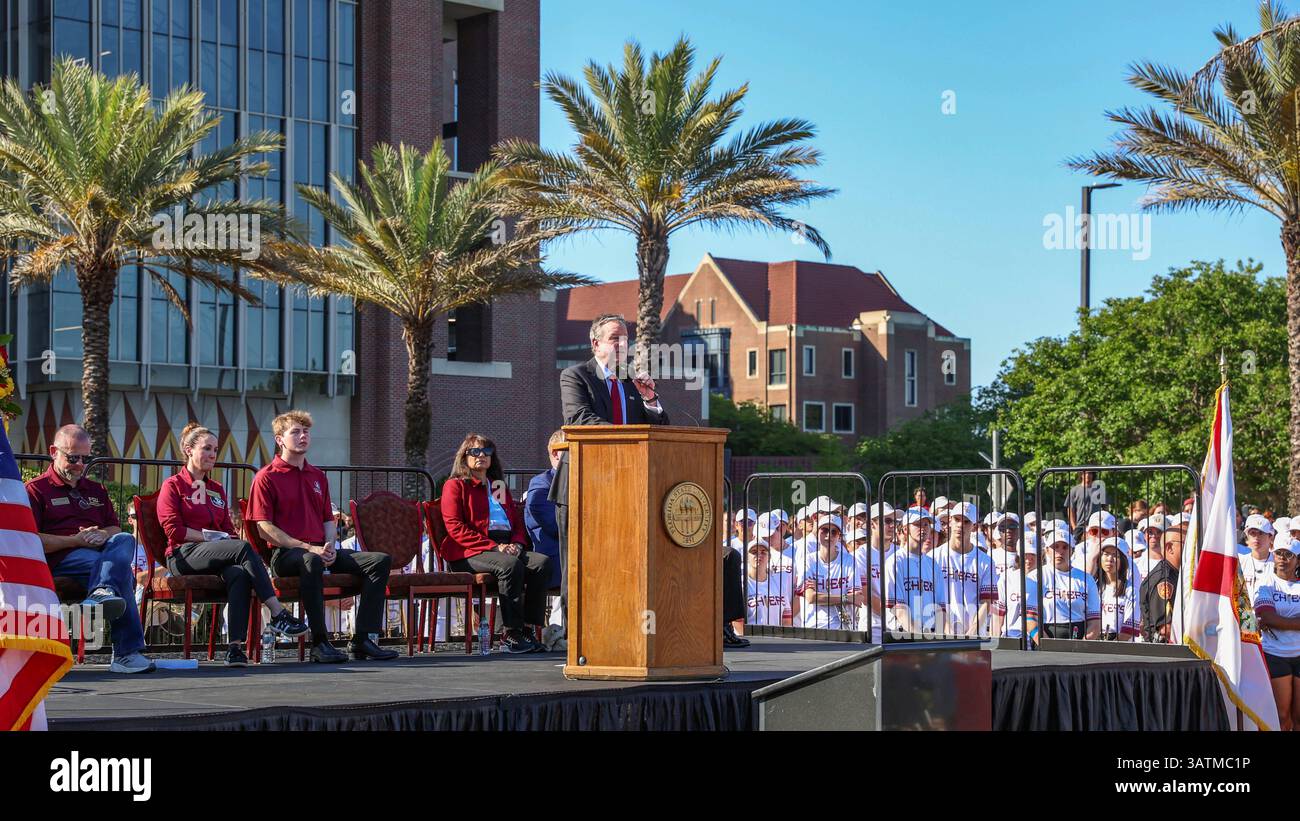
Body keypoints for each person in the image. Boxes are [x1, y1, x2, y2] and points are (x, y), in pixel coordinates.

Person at [549, 313, 669, 637]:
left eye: (626, 338)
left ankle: (614, 636)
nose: (622, 344)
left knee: (620, 569)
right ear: (596, 343)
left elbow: (659, 428)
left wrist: (650, 399)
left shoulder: (630, 383)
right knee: (579, 569)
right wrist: (628, 438)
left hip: (623, 490)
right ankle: (573, 640)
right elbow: (579, 419)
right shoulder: (575, 376)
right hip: (583, 489)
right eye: (615, 337)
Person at [247, 410, 397, 663]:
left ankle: (362, 638)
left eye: (306, 431)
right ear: (279, 439)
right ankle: (320, 642)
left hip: (319, 550)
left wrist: (329, 546)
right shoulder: (266, 477)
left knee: (379, 561)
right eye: (295, 431)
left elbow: (328, 518)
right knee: (310, 561)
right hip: (286, 554)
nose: (303, 436)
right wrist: (309, 547)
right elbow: (264, 528)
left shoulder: (317, 476)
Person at [158, 423, 309, 666]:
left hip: (215, 556)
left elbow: (227, 529)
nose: (212, 455)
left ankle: (235, 648)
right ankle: (278, 613)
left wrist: (224, 538)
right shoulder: (173, 485)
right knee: (242, 547)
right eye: (206, 448)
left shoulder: (216, 489)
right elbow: (173, 529)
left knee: (239, 573)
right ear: (188, 450)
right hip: (182, 555)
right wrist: (210, 537)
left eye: (215, 450)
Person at [27, 424, 154, 674]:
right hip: (60, 559)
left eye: (85, 458)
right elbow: (32, 539)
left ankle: (102, 589)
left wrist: (101, 534)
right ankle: (126, 653)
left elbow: (115, 529)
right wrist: (76, 540)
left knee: (126, 540)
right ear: (54, 451)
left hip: (98, 555)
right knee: (123, 575)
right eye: (73, 457)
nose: (79, 464)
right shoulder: (36, 489)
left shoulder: (96, 490)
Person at [440, 433, 552, 653]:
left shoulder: (498, 486)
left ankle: (528, 629)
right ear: (465, 456)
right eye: (475, 451)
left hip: (505, 546)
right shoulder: (456, 486)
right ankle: (510, 633)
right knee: (510, 566)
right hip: (470, 550)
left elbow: (515, 522)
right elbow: (455, 528)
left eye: (486, 451)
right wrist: (495, 547)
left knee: (541, 563)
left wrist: (518, 544)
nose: (481, 455)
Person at [1254, 538, 1300, 730]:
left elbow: (1273, 619)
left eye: (1289, 554)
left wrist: (1280, 622)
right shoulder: (1265, 583)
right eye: (1279, 553)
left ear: (1297, 559)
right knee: (1281, 715)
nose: (1283, 558)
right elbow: (1266, 617)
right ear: (1273, 555)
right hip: (1274, 654)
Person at [932, 502, 995, 637]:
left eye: (966, 521)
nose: (960, 525)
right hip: (940, 633)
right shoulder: (933, 557)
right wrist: (946, 626)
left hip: (974, 636)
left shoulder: (986, 561)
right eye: (957, 519)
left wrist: (973, 631)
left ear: (974, 526)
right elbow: (932, 597)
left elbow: (986, 602)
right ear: (950, 521)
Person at [883, 509, 947, 636]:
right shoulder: (895, 562)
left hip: (930, 635)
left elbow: (941, 608)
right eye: (917, 524)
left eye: (926, 524)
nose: (923, 528)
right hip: (902, 636)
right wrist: (919, 637)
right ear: (905, 529)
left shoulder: (933, 564)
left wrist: (937, 638)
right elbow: (898, 608)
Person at [794, 514, 857, 629]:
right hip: (815, 627)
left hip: (845, 627)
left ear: (839, 536)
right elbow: (811, 597)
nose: (829, 535)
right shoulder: (808, 560)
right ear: (818, 532)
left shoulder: (849, 560)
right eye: (825, 530)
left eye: (834, 532)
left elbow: (857, 598)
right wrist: (844, 598)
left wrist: (822, 597)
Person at [1039, 526, 1101, 639]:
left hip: (1078, 635)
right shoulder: (1036, 577)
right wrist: (1046, 646)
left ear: (1072, 551)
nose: (1060, 552)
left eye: (1065, 547)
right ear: (1047, 550)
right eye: (1055, 547)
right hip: (1045, 636)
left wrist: (1082, 646)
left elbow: (1095, 623)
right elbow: (1030, 619)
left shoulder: (1087, 579)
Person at [523, 429, 565, 592]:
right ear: (555, 454)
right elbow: (556, 526)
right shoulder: (541, 484)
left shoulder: (585, 480)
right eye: (571, 450)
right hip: (557, 560)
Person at [992, 533, 1040, 643]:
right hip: (1010, 636)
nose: (1029, 558)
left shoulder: (1046, 579)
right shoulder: (1007, 577)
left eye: (1032, 554)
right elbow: (998, 614)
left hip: (1036, 639)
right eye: (1025, 554)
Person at [1140, 526, 1184, 643]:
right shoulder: (1164, 578)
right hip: (1166, 651)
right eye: (1187, 544)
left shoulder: (1175, 573)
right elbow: (1166, 628)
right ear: (1169, 548)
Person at [1092, 538, 1139, 641]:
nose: (1110, 559)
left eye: (1115, 555)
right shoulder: (1093, 587)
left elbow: (1128, 631)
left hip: (1119, 645)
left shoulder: (1130, 590)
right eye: (1106, 554)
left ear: (1123, 560)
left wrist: (1111, 647)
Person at [746, 540, 794, 627]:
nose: (759, 555)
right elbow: (738, 622)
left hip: (776, 638)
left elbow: (786, 618)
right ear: (746, 557)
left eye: (763, 552)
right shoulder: (742, 584)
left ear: (769, 557)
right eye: (754, 552)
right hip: (750, 638)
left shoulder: (779, 581)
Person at [1241, 514, 1276, 602]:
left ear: (1270, 537)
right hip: (1244, 614)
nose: (1256, 537)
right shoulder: (1240, 562)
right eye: (1253, 533)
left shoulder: (1279, 564)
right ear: (1247, 536)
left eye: (1261, 533)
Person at [1065, 471, 1099, 540]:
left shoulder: (1099, 490)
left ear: (1093, 475)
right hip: (1080, 526)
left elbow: (1106, 508)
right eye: (1085, 473)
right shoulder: (1074, 490)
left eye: (1090, 473)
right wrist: (1074, 527)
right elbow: (1070, 510)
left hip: (1096, 525)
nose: (1087, 475)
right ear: (1081, 475)